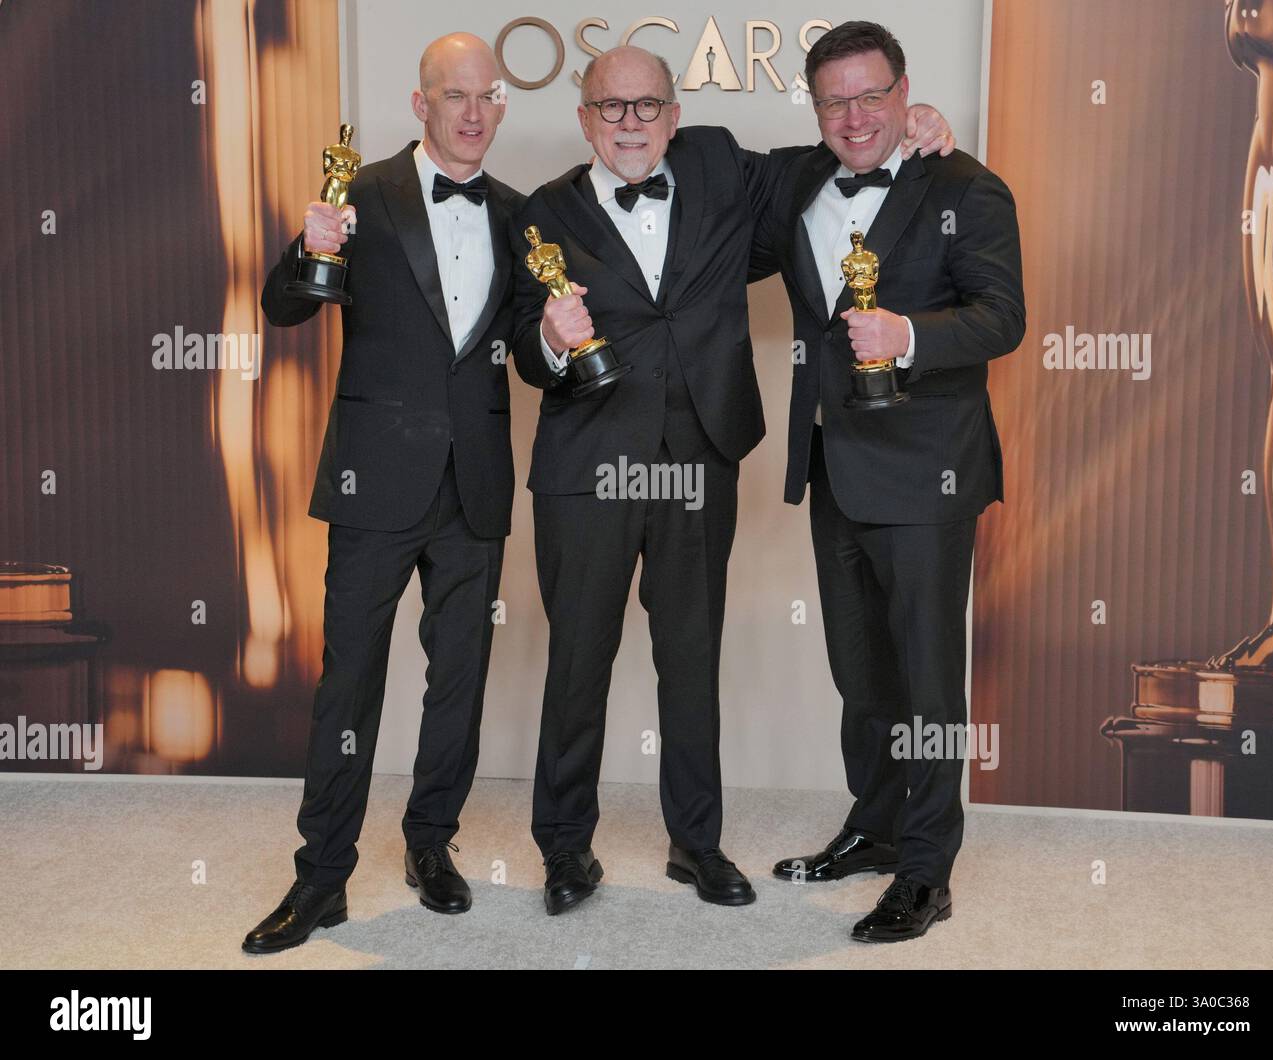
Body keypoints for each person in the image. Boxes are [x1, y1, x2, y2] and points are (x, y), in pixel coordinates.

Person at [509, 44, 953, 915]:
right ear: (584, 119)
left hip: (696, 462)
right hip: (585, 472)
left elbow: (840, 149)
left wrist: (918, 125)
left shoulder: (716, 164)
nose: (631, 124)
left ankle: (697, 844)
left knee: (691, 662)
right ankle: (565, 850)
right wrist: (553, 339)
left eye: (647, 107)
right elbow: (524, 347)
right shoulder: (542, 212)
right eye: (611, 108)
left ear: (675, 116)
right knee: (575, 667)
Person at [243, 33, 522, 953]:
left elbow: (530, 354)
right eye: (456, 96)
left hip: (473, 488)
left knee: (461, 685)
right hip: (373, 484)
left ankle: (430, 846)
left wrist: (561, 343)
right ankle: (321, 878)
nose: (474, 112)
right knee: (349, 685)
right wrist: (303, 247)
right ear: (421, 103)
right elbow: (285, 307)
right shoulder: (358, 195)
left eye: (488, 96)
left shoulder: (521, 216)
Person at [751, 21, 1025, 942]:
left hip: (928, 470)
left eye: (873, 95)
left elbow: (1001, 317)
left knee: (928, 681)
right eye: (836, 100)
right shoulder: (794, 182)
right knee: (860, 671)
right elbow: (703, 175)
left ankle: (926, 868)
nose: (855, 116)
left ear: (906, 93)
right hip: (834, 464)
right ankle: (872, 827)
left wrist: (908, 335)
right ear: (815, 107)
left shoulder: (968, 186)